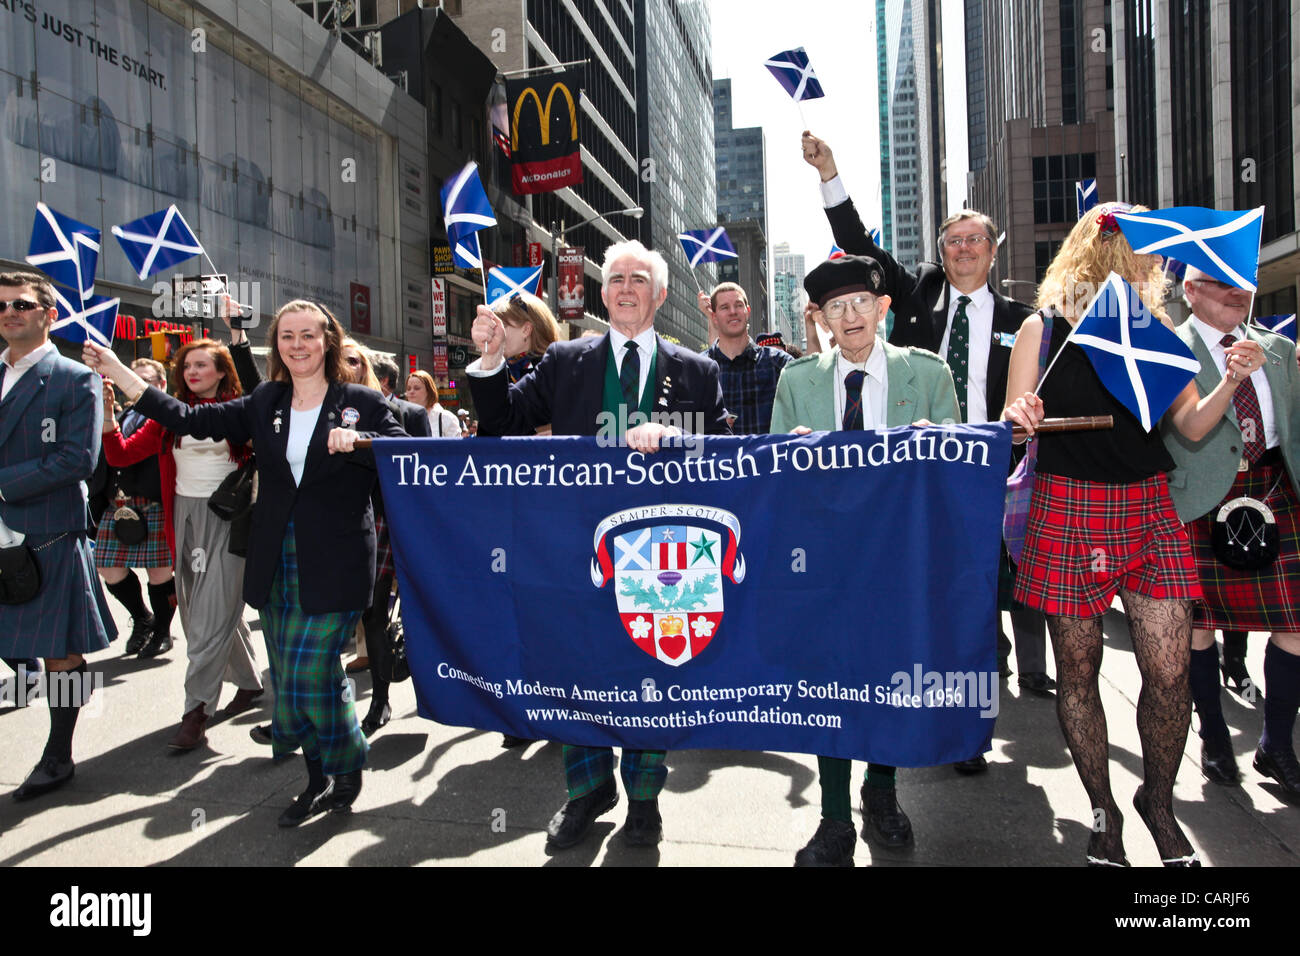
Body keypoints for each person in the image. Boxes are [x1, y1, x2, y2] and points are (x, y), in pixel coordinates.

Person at [84, 300, 406, 827]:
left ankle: (338, 770)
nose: (297, 345)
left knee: (307, 673)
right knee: (297, 674)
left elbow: (406, 450)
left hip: (338, 557)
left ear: (328, 340)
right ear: (276, 344)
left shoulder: (362, 401)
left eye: (308, 335)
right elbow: (188, 416)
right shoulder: (265, 400)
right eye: (287, 336)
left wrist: (363, 440)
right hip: (274, 557)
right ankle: (324, 777)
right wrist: (121, 375)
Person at [1003, 203, 1250, 866]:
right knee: (1078, 674)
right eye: (1117, 240)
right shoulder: (1042, 329)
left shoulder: (1155, 329)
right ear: (1088, 250)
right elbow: (1014, 420)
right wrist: (1022, 413)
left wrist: (1232, 376)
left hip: (1146, 509)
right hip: (1065, 505)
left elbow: (1193, 426)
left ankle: (1159, 805)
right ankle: (1103, 811)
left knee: (1170, 672)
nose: (1129, 255)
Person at [803, 130, 1053, 775]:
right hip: (917, 485)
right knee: (939, 596)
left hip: (994, 475)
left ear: (993, 251)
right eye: (952, 241)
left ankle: (971, 721)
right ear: (940, 253)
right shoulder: (915, 296)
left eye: (975, 240)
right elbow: (859, 247)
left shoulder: (1024, 321)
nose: (963, 249)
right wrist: (830, 171)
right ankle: (940, 714)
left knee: (982, 597)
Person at [467, 239, 730, 851]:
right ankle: (587, 792)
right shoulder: (564, 360)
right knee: (575, 663)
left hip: (664, 553)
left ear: (659, 295)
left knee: (649, 671)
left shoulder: (697, 369)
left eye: (639, 278)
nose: (626, 287)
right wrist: (487, 360)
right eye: (616, 278)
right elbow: (504, 422)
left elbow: (721, 451)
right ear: (602, 292)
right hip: (574, 546)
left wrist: (673, 434)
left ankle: (643, 800)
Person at [771, 254, 960, 865]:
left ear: (883, 309)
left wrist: (937, 447)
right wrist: (789, 459)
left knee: (885, 679)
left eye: (859, 304)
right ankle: (833, 819)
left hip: (896, 560)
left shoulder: (928, 375)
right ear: (821, 320)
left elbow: (955, 475)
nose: (848, 317)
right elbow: (772, 481)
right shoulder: (796, 382)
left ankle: (882, 796)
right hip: (823, 564)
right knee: (828, 681)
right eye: (835, 308)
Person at [1159, 266, 1300, 796]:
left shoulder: (1279, 350)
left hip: (1273, 492)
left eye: (1242, 280)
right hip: (1201, 501)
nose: (1235, 291)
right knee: (1198, 629)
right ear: (1190, 292)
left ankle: (1276, 744)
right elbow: (1190, 426)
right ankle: (1215, 736)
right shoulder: (1170, 349)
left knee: (1295, 625)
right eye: (1217, 282)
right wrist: (1233, 376)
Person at [102, 338, 263, 751]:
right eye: (187, 366)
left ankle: (196, 712)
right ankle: (248, 683)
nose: (192, 372)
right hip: (183, 518)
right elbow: (120, 456)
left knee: (209, 619)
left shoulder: (240, 412)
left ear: (223, 371)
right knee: (200, 615)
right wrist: (107, 416)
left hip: (229, 519)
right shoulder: (169, 417)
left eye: (202, 365)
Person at [0, 271, 116, 800]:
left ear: (49, 315)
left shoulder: (73, 378)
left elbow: (78, 459)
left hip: (44, 534)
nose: (9, 312)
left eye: (21, 304)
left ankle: (59, 753)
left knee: (61, 653)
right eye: (2, 305)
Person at [95, 358, 177, 658]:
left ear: (161, 385)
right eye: (131, 379)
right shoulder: (125, 413)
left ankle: (163, 630)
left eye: (146, 381)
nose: (137, 386)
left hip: (153, 503)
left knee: (159, 573)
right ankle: (142, 617)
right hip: (118, 504)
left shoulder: (167, 415)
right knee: (107, 566)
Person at [697, 282, 792, 435]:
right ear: (714, 317)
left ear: (747, 311)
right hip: (717, 457)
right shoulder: (697, 369)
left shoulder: (780, 364)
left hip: (766, 458)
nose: (733, 312)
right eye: (724, 307)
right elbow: (684, 429)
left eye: (738, 305)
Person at [406, 369, 461, 438]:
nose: (411, 392)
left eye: (417, 388)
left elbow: (456, 447)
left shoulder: (446, 418)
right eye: (408, 388)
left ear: (429, 391)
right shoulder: (404, 418)